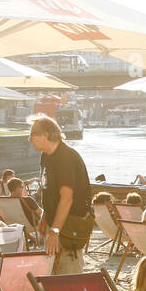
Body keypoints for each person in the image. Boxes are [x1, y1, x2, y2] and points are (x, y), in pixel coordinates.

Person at [28, 114, 90, 274]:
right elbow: (47, 188)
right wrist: (45, 216)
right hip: (55, 222)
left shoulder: (66, 157)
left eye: (33, 134)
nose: (29, 138)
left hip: (69, 227)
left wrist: (55, 231)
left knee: (67, 276)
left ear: (46, 135)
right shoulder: (46, 156)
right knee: (52, 274)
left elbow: (67, 198)